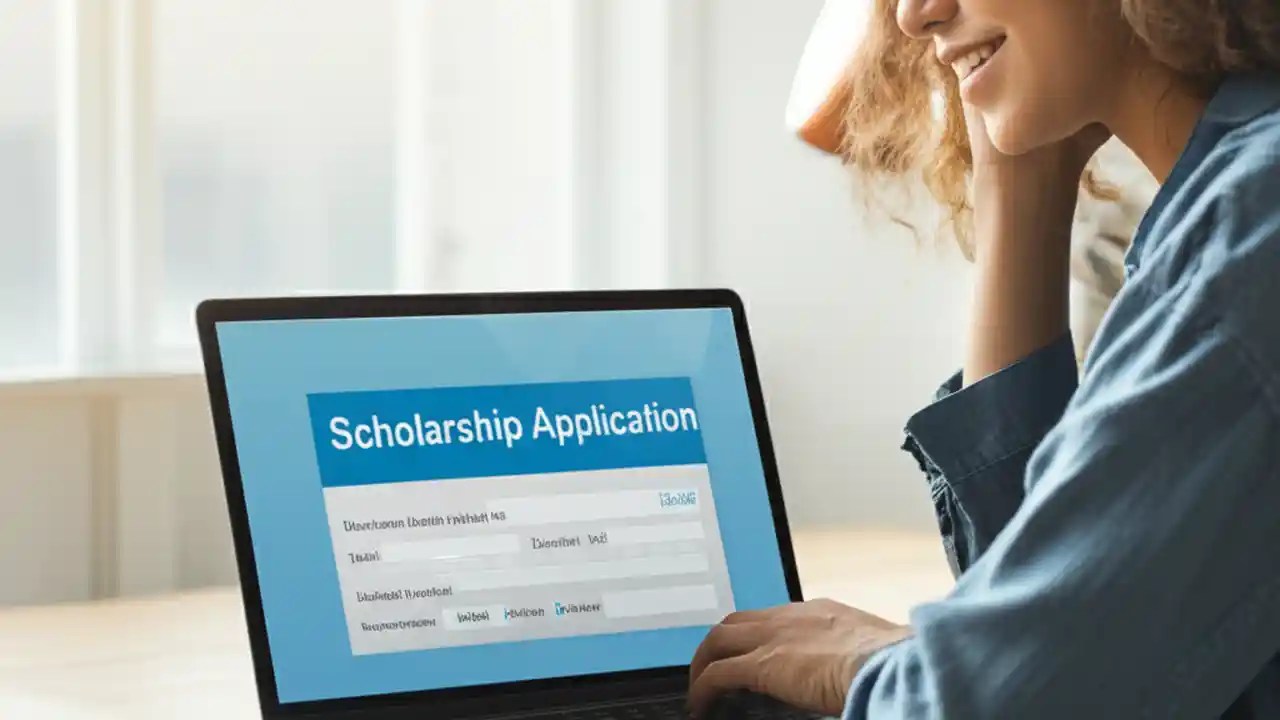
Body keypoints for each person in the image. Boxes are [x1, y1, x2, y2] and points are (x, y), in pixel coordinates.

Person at [687, 0, 1280, 718]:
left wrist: (898, 668)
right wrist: (1014, 187)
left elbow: (1013, 700)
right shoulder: (1230, 200)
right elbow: (1051, 609)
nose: (914, 16)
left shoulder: (1251, 227)